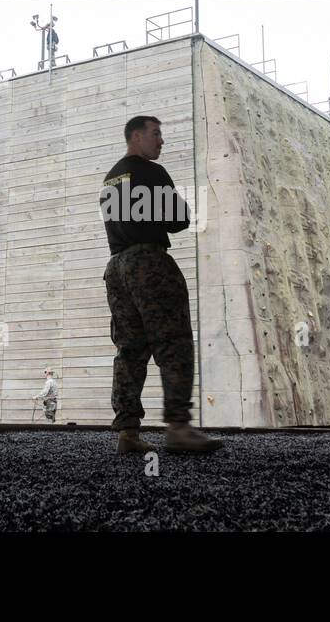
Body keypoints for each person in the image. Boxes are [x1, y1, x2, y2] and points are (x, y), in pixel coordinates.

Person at [99, 115, 222, 454]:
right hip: (149, 264)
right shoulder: (151, 172)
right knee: (173, 341)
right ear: (136, 136)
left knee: (130, 350)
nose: (161, 141)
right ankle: (178, 427)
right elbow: (179, 219)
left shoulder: (111, 179)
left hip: (116, 268)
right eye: (156, 134)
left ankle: (127, 432)